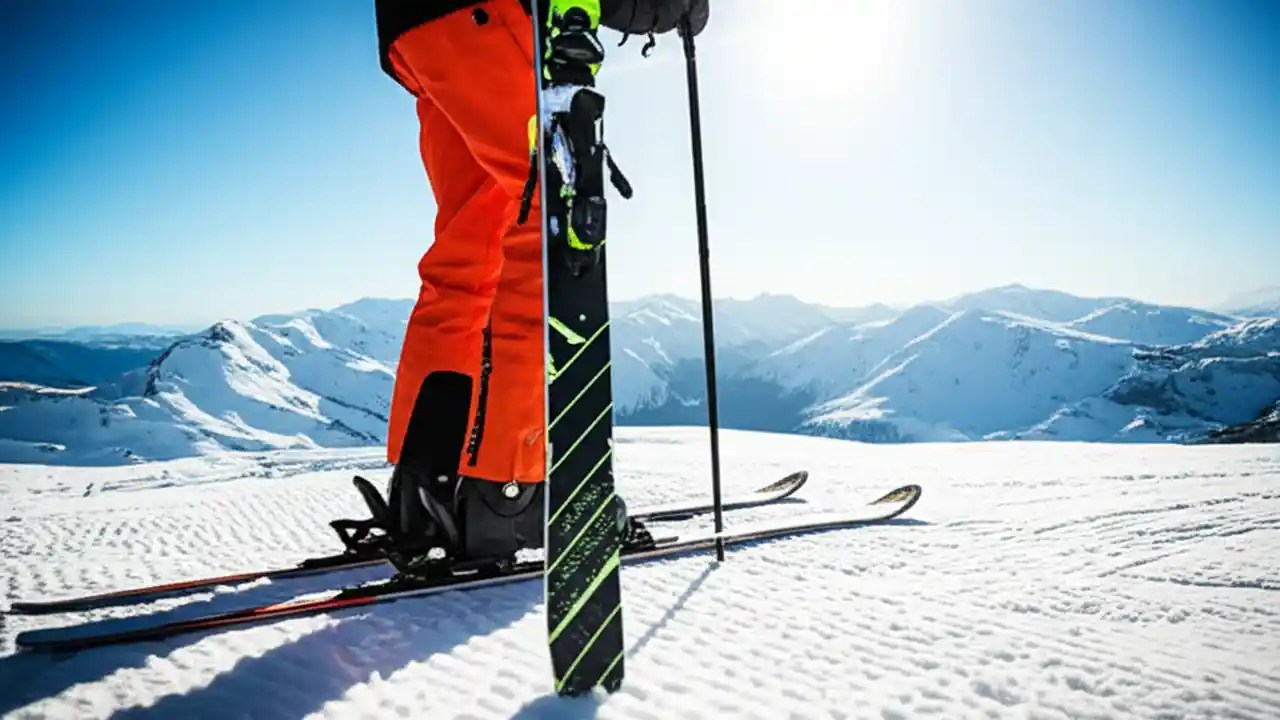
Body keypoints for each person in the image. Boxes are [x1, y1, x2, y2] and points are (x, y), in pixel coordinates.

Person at [364, 0, 710, 566]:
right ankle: (511, 490)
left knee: (473, 245)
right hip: (486, 13)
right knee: (544, 224)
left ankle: (429, 488)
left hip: (418, 28)